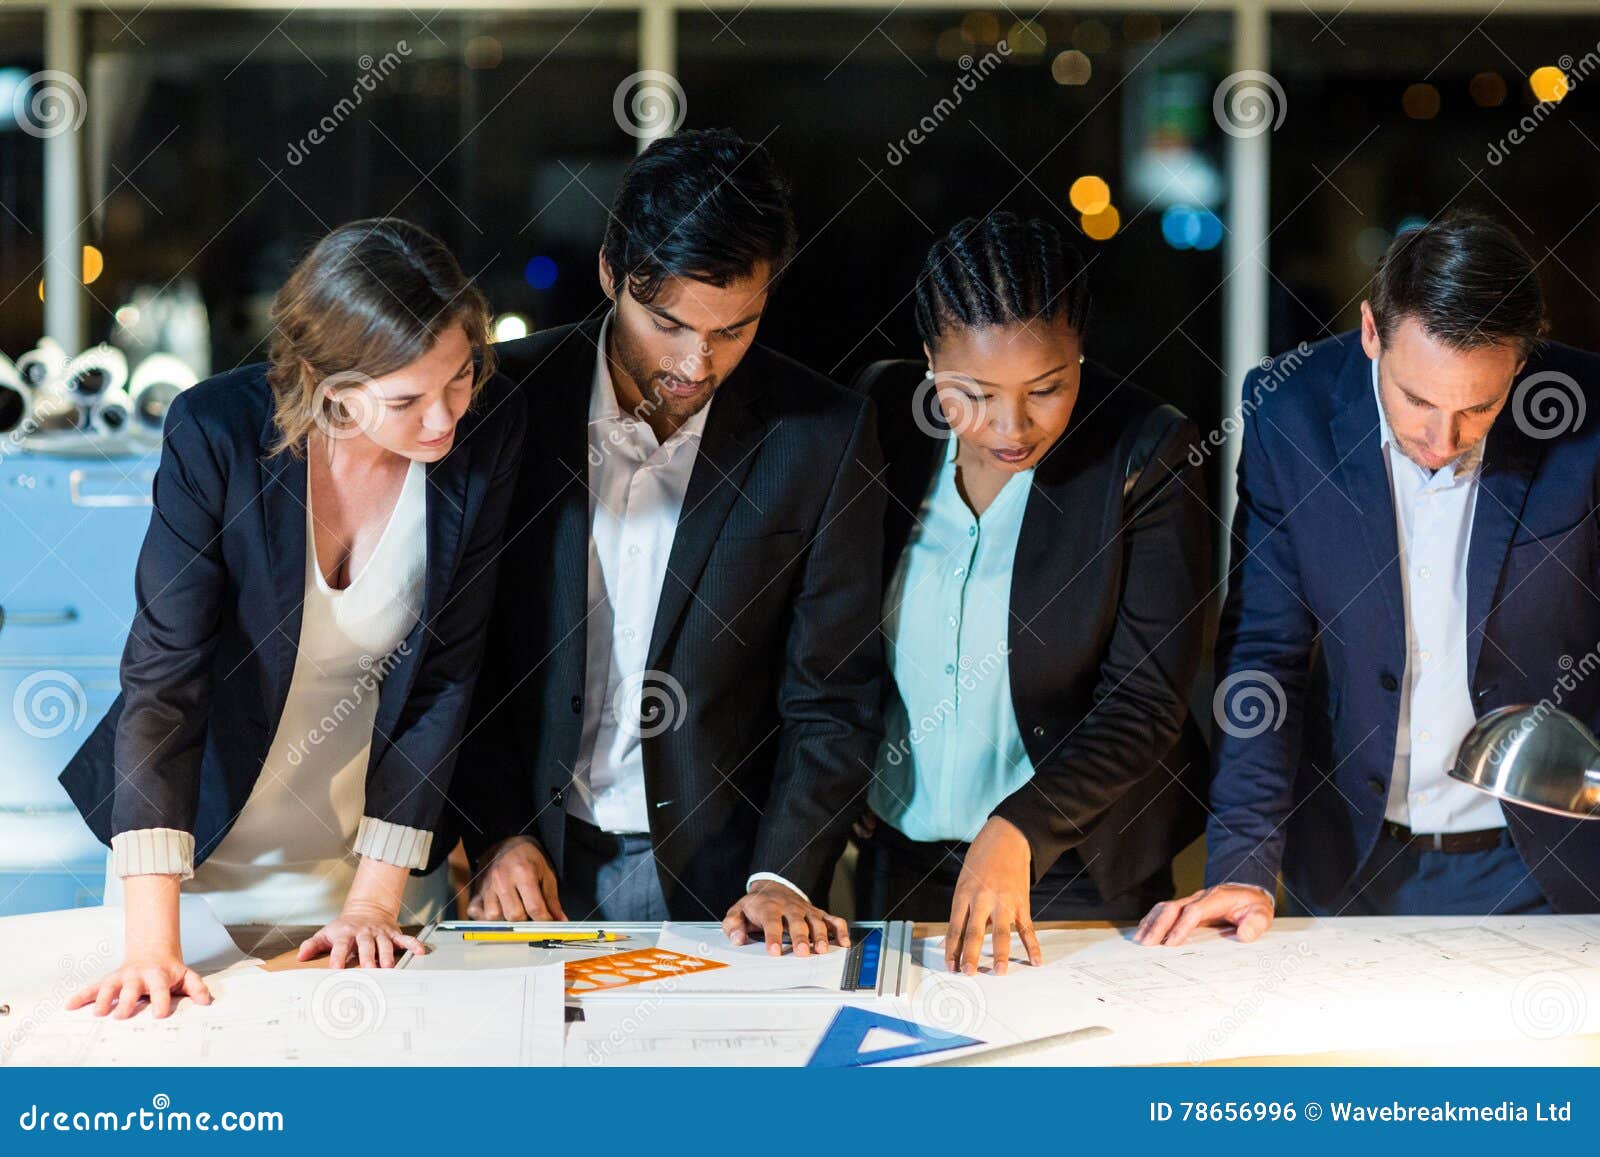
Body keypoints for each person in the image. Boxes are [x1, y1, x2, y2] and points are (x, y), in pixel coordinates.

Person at [59, 219, 527, 1016]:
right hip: (190, 849)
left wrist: (375, 902)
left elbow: (447, 674)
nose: (445, 419)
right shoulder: (217, 434)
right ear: (333, 388)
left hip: (370, 854)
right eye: (408, 399)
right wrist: (150, 942)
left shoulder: (485, 435)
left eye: (460, 377)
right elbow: (163, 678)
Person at [449, 129, 885, 955]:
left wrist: (784, 874)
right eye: (668, 323)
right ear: (612, 270)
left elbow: (833, 692)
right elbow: (457, 651)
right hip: (523, 863)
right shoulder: (500, 404)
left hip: (730, 881)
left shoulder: (825, 434)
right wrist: (494, 825)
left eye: (734, 330)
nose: (695, 362)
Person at [1139, 212, 1600, 948]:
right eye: (1417, 400)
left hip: (1549, 868)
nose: (1441, 441)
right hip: (1353, 864)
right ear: (1371, 333)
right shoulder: (1292, 413)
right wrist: (1244, 862)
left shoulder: (1586, 416)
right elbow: (1265, 654)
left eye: (1477, 409)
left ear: (1521, 362)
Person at [850, 212, 1211, 974]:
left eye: (1047, 388)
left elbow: (1144, 702)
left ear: (1081, 353)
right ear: (928, 361)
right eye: (971, 393)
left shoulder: (1146, 454)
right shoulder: (885, 419)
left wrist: (1022, 827)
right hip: (897, 859)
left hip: (1074, 870)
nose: (1010, 426)